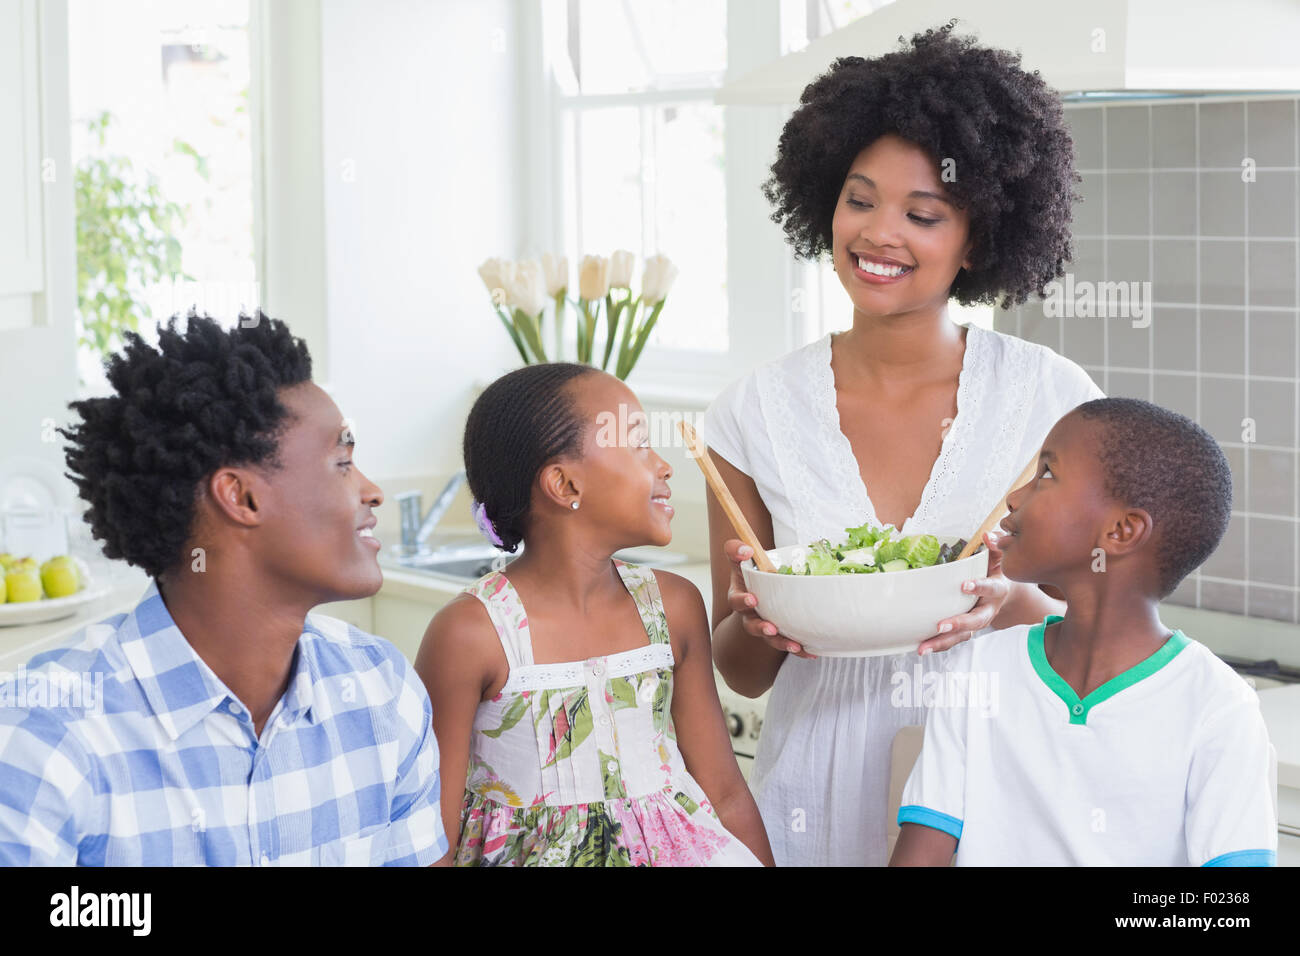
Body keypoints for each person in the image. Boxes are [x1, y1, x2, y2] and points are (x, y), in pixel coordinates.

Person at [701, 22, 1106, 866]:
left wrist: (1013, 608)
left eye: (923, 214)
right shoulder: (749, 413)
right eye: (860, 199)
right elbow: (740, 671)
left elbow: (1101, 632)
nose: (879, 234)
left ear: (980, 239)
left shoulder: (1053, 403)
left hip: (993, 785)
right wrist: (760, 624)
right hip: (807, 796)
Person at [0, 313, 445, 866]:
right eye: (343, 463)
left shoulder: (383, 692)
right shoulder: (43, 736)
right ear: (241, 497)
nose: (372, 491)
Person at [890, 398, 1277, 866]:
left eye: (1047, 474)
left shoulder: (1218, 708)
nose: (1014, 498)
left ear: (1121, 531)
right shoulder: (977, 671)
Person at [416, 362, 773, 866]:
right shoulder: (470, 633)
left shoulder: (672, 607)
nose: (664, 466)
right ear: (565, 486)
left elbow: (726, 792)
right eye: (637, 445)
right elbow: (431, 838)